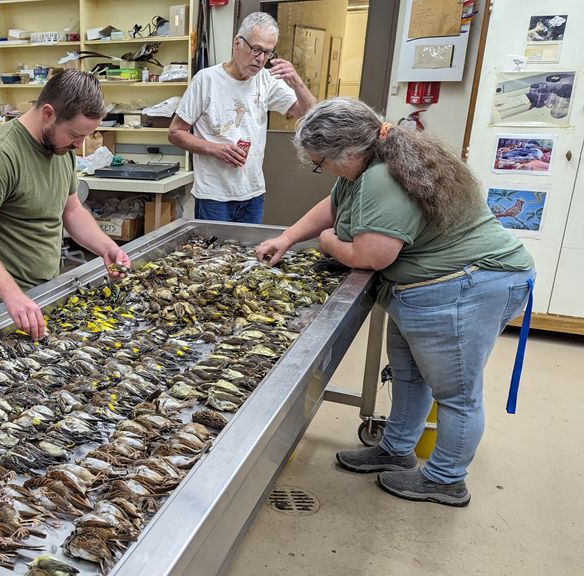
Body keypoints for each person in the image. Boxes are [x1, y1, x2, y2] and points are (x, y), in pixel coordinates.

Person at [256, 97, 535, 507]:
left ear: (347, 152)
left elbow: (372, 256)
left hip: (466, 286)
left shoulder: (383, 177)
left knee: (455, 392)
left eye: (320, 162)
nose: (321, 169)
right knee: (408, 374)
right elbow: (333, 205)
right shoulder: (371, 161)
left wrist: (328, 243)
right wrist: (287, 237)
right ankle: (397, 447)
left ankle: (445, 480)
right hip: (424, 291)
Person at [0, 70, 131, 341]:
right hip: (3, 300)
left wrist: (106, 247)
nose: (79, 145)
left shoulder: (61, 149)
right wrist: (12, 295)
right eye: (75, 134)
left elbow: (71, 210)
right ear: (48, 113)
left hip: (48, 288)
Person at [168, 12, 316, 224]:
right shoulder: (206, 80)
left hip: (252, 193)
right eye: (256, 49)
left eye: (268, 52)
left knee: (248, 256)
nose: (261, 59)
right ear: (237, 43)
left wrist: (297, 83)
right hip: (214, 195)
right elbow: (175, 133)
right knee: (212, 257)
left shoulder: (266, 80)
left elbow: (310, 115)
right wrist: (215, 149)